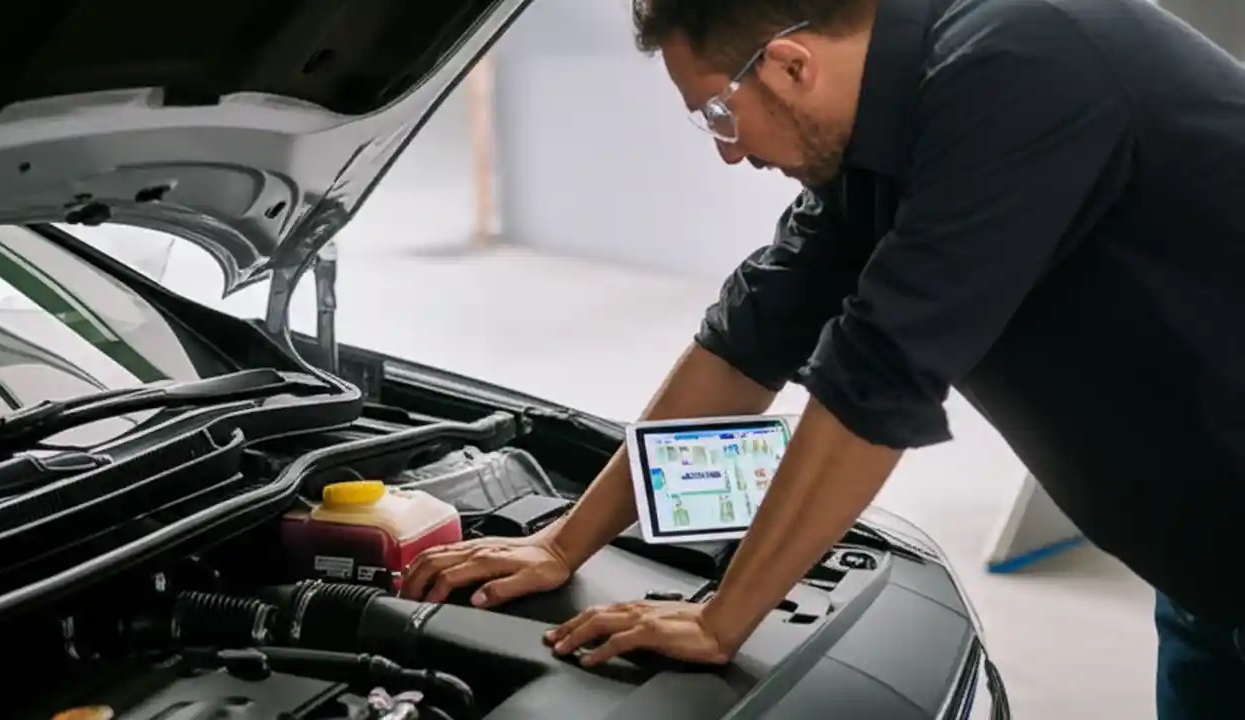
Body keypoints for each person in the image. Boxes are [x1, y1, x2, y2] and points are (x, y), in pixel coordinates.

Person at [402, 0, 1245, 716]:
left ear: (789, 64)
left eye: (715, 113)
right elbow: (748, 337)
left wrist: (723, 619)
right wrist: (562, 544)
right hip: (1203, 573)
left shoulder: (1022, 65)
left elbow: (876, 378)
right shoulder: (889, 131)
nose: (726, 149)